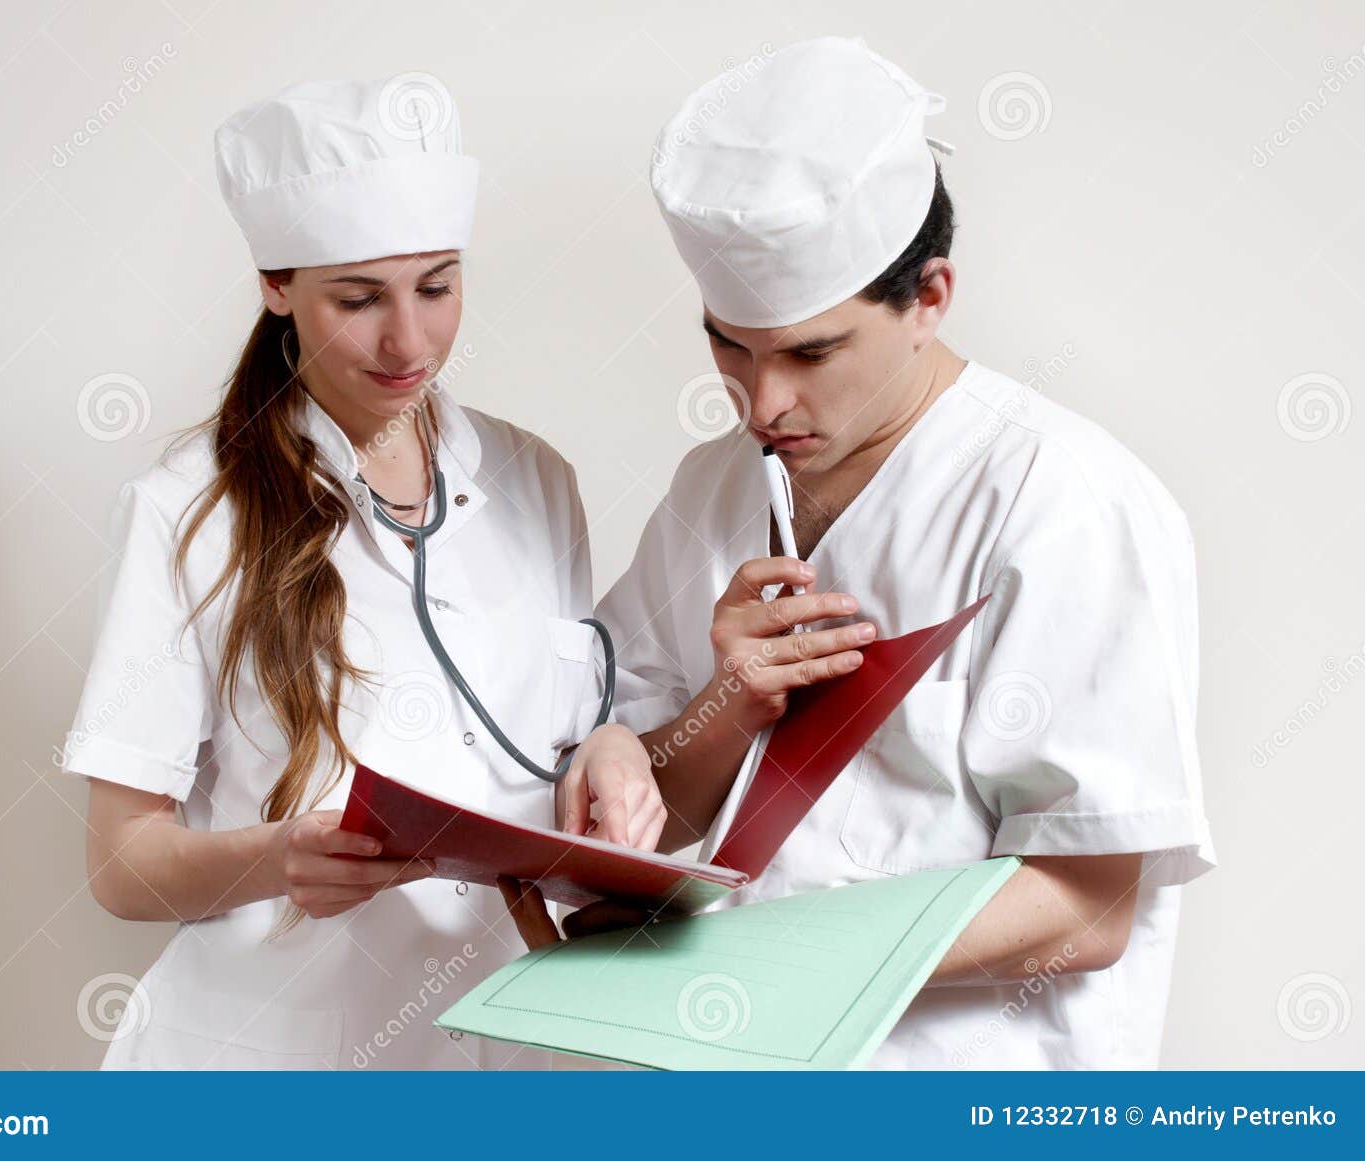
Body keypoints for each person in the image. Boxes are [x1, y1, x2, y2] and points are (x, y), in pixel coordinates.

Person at [508, 37, 1214, 1069]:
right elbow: (654, 813)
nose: (762, 402)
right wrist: (641, 744)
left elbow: (1086, 904)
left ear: (930, 295)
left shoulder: (1064, 502)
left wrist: (723, 960)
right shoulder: (716, 486)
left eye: (811, 350)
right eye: (727, 343)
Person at [59, 73, 662, 1070]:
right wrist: (275, 857)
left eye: (436, 285)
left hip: (499, 1039)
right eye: (357, 298)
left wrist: (609, 746)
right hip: (280, 1054)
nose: (408, 341)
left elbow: (545, 729)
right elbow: (123, 866)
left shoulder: (533, 478)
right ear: (275, 286)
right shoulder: (186, 512)